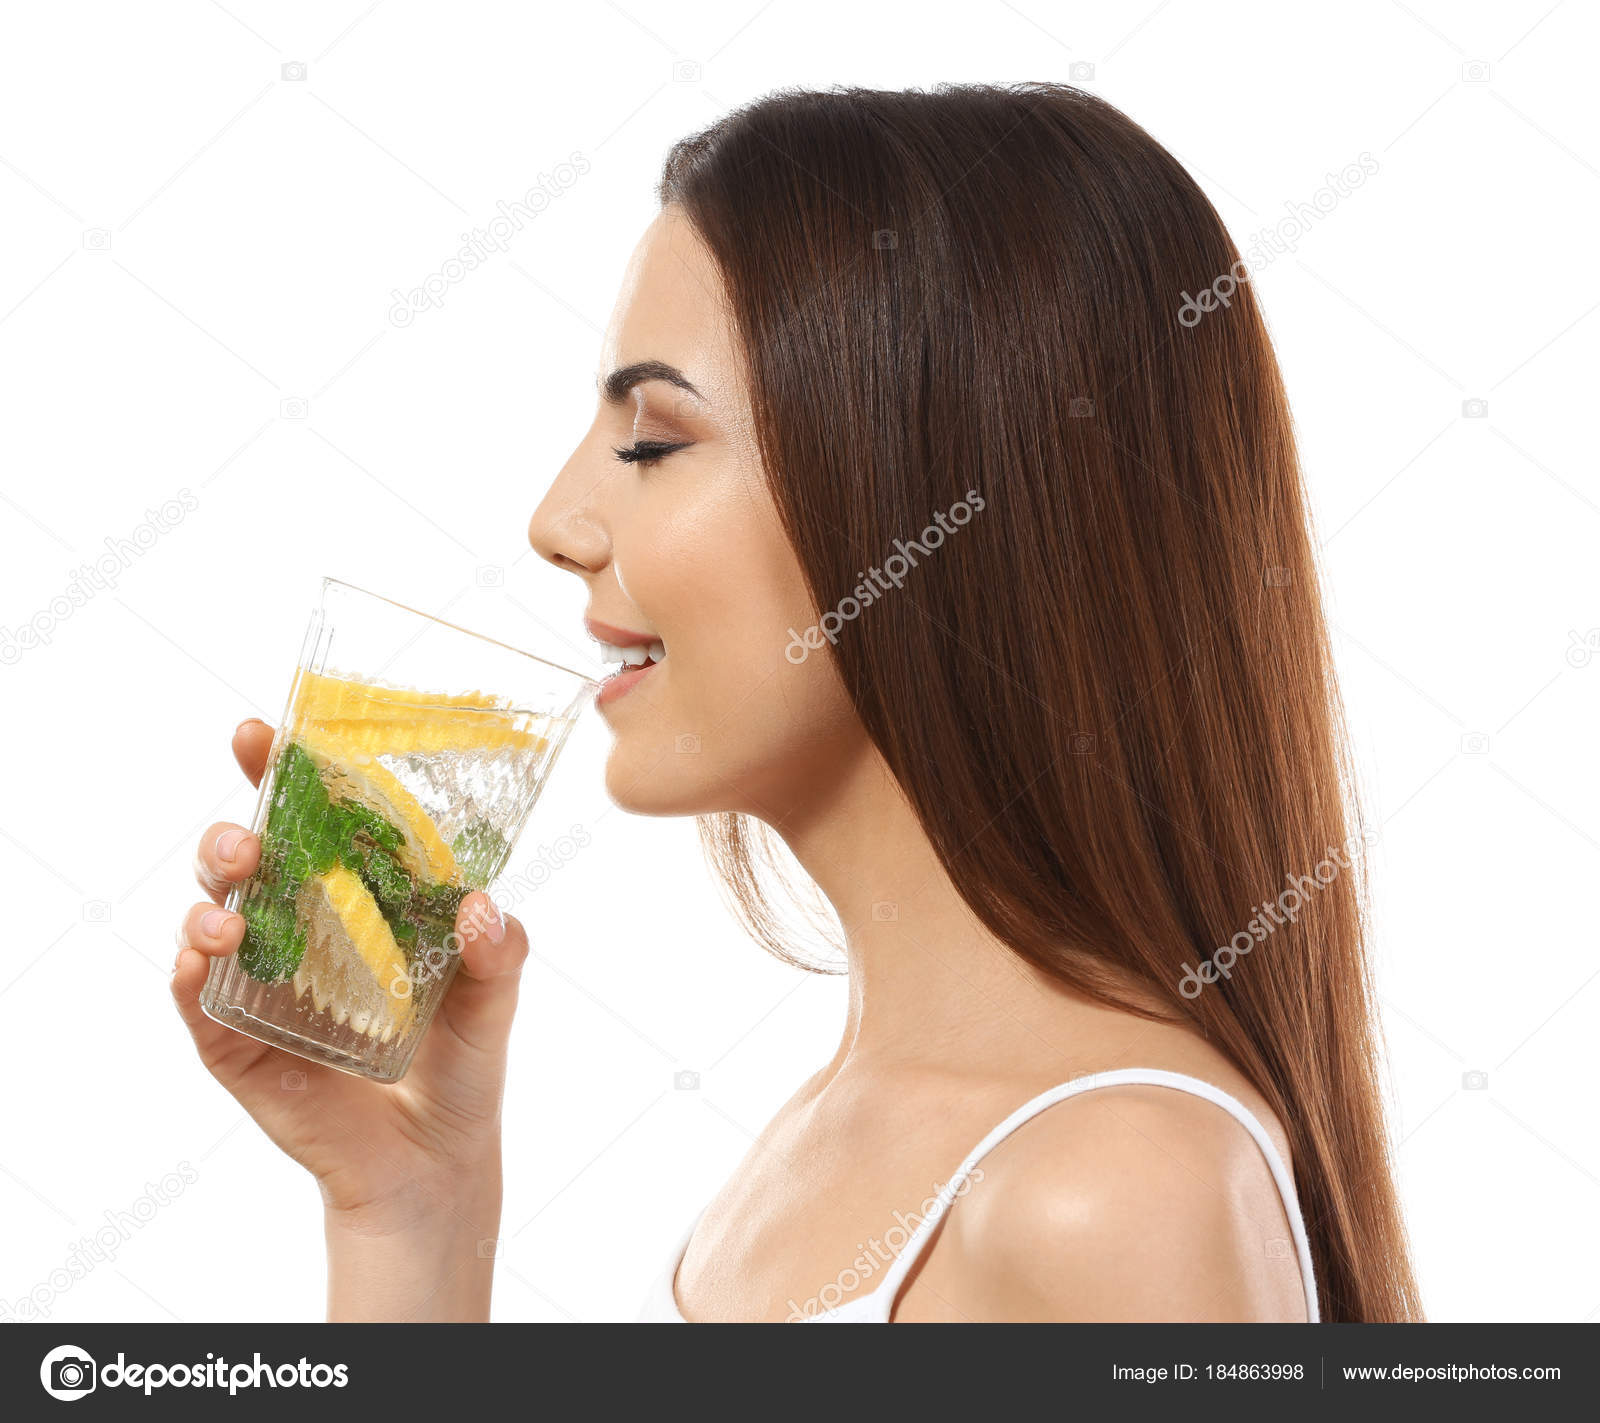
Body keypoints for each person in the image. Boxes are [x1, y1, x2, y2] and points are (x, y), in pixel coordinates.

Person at [172, 83, 1423, 1323]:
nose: (555, 522)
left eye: (654, 441)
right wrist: (411, 1209)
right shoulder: (837, 1127)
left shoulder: (1111, 1194)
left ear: (926, 494)